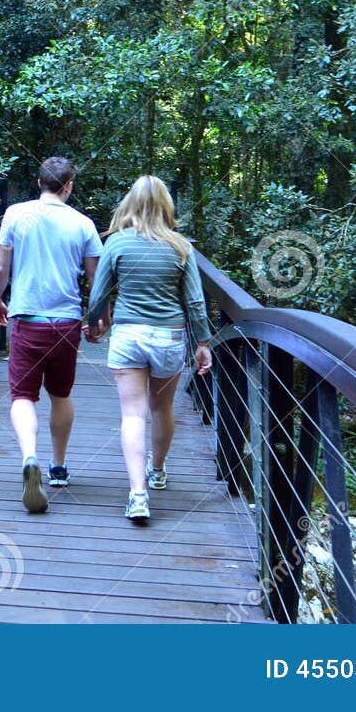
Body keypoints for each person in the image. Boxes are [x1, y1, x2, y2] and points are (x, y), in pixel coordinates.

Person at [84, 174, 213, 524]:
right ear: (166, 205)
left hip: (128, 336)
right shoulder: (180, 246)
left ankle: (137, 495)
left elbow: (99, 293)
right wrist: (203, 343)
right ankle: (157, 470)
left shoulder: (117, 243)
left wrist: (95, 323)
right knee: (162, 407)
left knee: (131, 414)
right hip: (169, 337)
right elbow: (195, 302)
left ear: (130, 203)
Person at [0, 157, 103, 513]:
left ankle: (29, 456)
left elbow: (0, 267)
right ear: (68, 186)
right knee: (61, 394)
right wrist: (97, 318)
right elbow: (95, 280)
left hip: (26, 320)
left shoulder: (15, 215)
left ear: (40, 182)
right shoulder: (83, 224)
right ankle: (57, 466)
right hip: (65, 324)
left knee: (22, 396)